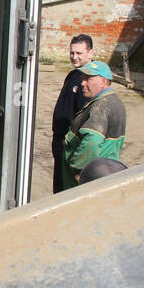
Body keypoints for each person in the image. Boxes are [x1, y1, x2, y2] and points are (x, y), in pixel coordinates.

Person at [61, 62, 126, 189]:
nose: (82, 83)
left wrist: (77, 168)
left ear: (103, 81)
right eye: (83, 78)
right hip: (105, 171)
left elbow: (92, 142)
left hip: (87, 178)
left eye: (88, 79)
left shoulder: (100, 106)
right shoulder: (115, 101)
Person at [51, 35, 94, 193]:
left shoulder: (89, 79)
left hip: (70, 144)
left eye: (79, 53)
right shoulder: (73, 74)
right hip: (60, 141)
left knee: (67, 190)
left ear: (90, 53)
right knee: (59, 186)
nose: (74, 57)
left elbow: (85, 117)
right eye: (72, 53)